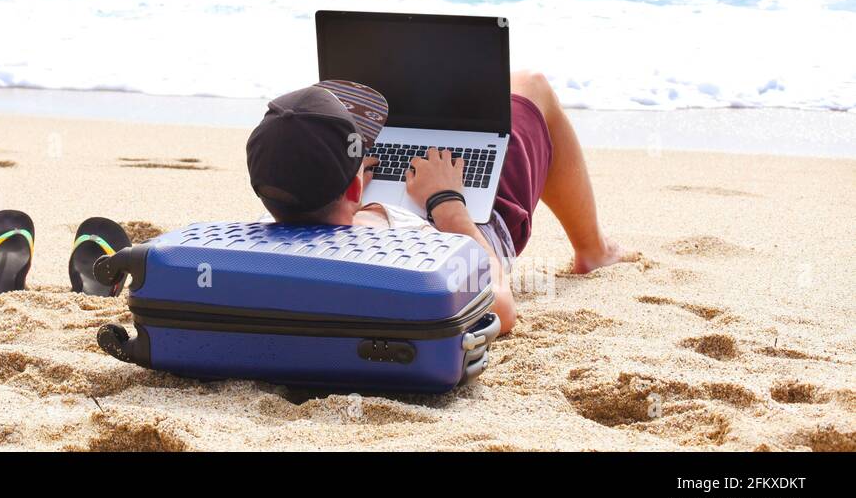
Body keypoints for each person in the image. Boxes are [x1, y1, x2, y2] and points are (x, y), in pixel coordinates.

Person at [245, 72, 638, 335]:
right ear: (353, 189)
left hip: (342, 207)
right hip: (461, 229)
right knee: (532, 87)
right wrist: (447, 203)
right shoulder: (394, 233)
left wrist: (352, 196)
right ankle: (593, 251)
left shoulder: (262, 243)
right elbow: (501, 308)